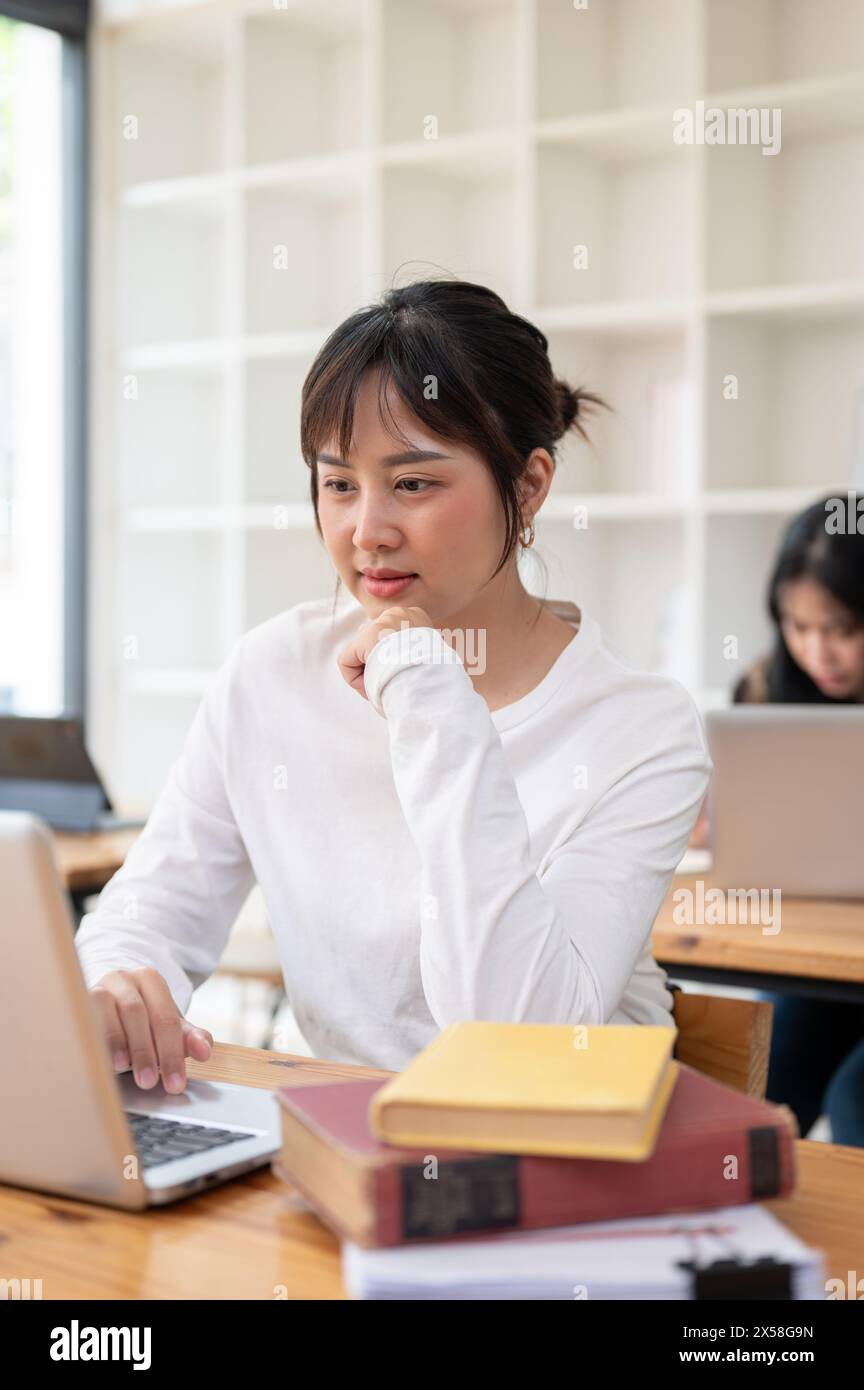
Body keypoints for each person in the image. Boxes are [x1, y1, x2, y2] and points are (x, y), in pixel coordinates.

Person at [75, 277, 712, 1092]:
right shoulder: (271, 675)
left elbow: (523, 1045)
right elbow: (150, 910)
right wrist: (121, 977)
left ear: (529, 486)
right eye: (339, 484)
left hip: (571, 1153)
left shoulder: (640, 727)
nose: (366, 532)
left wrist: (430, 692)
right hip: (345, 1144)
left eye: (413, 483)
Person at [732, 495, 864, 1146]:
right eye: (798, 626)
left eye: (840, 628)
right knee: (759, 1081)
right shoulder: (763, 691)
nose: (819, 651)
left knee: (853, 1097)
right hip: (827, 958)